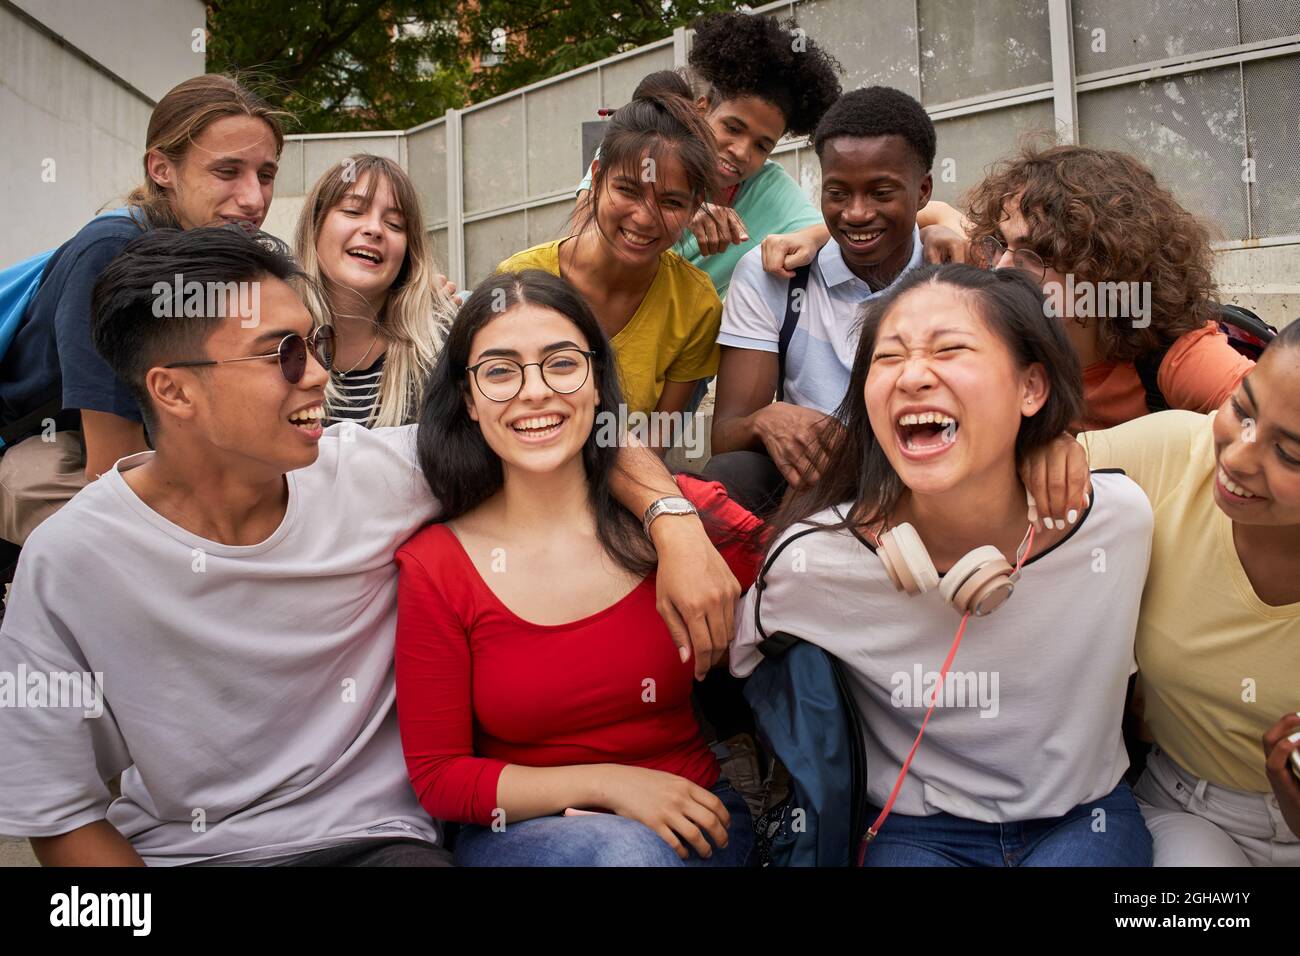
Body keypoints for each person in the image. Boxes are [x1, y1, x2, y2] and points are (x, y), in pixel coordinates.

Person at [0, 228, 741, 866]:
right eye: (282, 354)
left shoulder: (370, 472)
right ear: (174, 391)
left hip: (376, 843)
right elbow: (56, 811)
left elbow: (553, 425)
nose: (321, 374)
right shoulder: (70, 562)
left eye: (317, 344)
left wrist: (673, 521)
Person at [731, 264, 1155, 867]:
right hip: (913, 833)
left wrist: (1063, 442)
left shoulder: (1117, 522)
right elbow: (740, 663)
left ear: (1030, 388)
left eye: (951, 350)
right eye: (888, 358)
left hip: (1085, 818)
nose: (913, 376)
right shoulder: (814, 560)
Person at [395, 270, 762, 866]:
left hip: (699, 823)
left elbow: (821, 568)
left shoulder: (673, 521)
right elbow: (439, 777)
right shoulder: (436, 566)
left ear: (597, 382)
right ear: (467, 400)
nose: (535, 391)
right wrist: (612, 784)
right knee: (621, 853)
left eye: (562, 364)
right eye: (499, 371)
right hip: (525, 836)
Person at [1022, 319, 1300, 866]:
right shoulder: (1173, 455)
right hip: (1189, 814)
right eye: (1243, 411)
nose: (1239, 457)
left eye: (1291, 454)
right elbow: (1001, 478)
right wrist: (1047, 448)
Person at [0, 74, 289, 549]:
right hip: (43, 465)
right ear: (161, 168)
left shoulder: (214, 259)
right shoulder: (112, 252)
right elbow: (111, 470)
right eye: (226, 172)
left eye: (265, 175)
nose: (254, 199)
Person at [707, 86, 933, 515]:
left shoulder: (955, 274)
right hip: (813, 483)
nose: (856, 213)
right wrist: (766, 420)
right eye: (838, 193)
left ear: (923, 192)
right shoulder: (774, 275)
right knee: (731, 474)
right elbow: (726, 433)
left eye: (881, 192)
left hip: (928, 471)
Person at [956, 143, 1254, 431]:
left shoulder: (1176, 358)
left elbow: (1280, 421)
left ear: (1103, 265)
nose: (1003, 267)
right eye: (1001, 244)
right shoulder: (1006, 327)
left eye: (1036, 251)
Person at [499, 76, 722, 434]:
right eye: (628, 190)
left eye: (671, 202)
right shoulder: (518, 279)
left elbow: (656, 441)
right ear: (597, 177)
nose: (645, 218)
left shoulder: (696, 305)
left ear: (696, 206)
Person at [294, 154, 456, 427]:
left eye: (395, 224)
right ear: (315, 226)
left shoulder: (443, 347)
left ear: (409, 251)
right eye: (353, 211)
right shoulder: (270, 340)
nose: (374, 229)